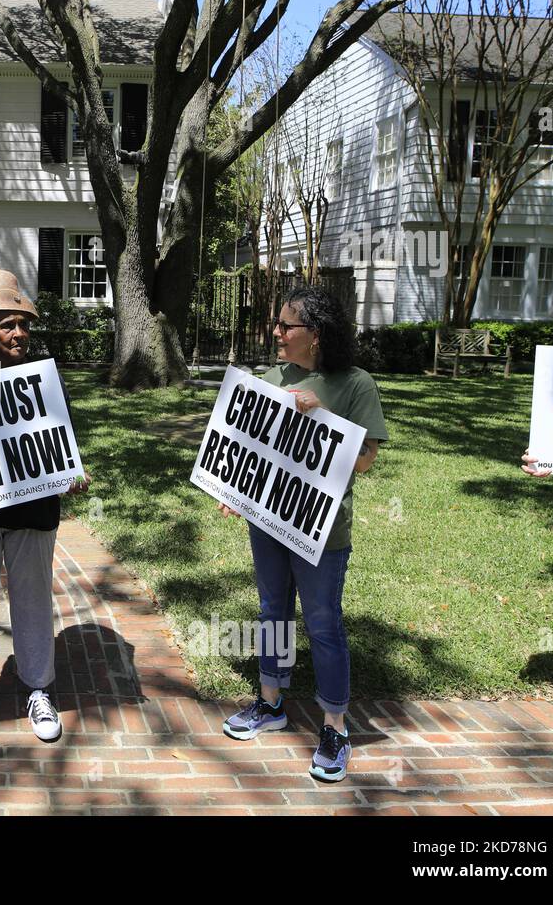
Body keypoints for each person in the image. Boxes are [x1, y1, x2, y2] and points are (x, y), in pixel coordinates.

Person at [218, 285, 387, 783]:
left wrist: (323, 415)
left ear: (314, 335)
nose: (275, 333)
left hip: (322, 530)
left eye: (284, 326)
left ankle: (335, 726)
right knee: (272, 612)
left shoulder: (355, 384)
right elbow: (248, 448)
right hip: (268, 521)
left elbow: (365, 460)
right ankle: (270, 704)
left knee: (323, 623)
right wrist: (232, 486)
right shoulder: (269, 379)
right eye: (277, 324)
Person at [0, 269, 89, 742]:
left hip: (33, 513)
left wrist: (71, 472)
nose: (19, 333)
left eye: (23, 324)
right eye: (7, 324)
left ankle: (39, 689)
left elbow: (61, 442)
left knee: (32, 600)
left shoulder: (47, 380)